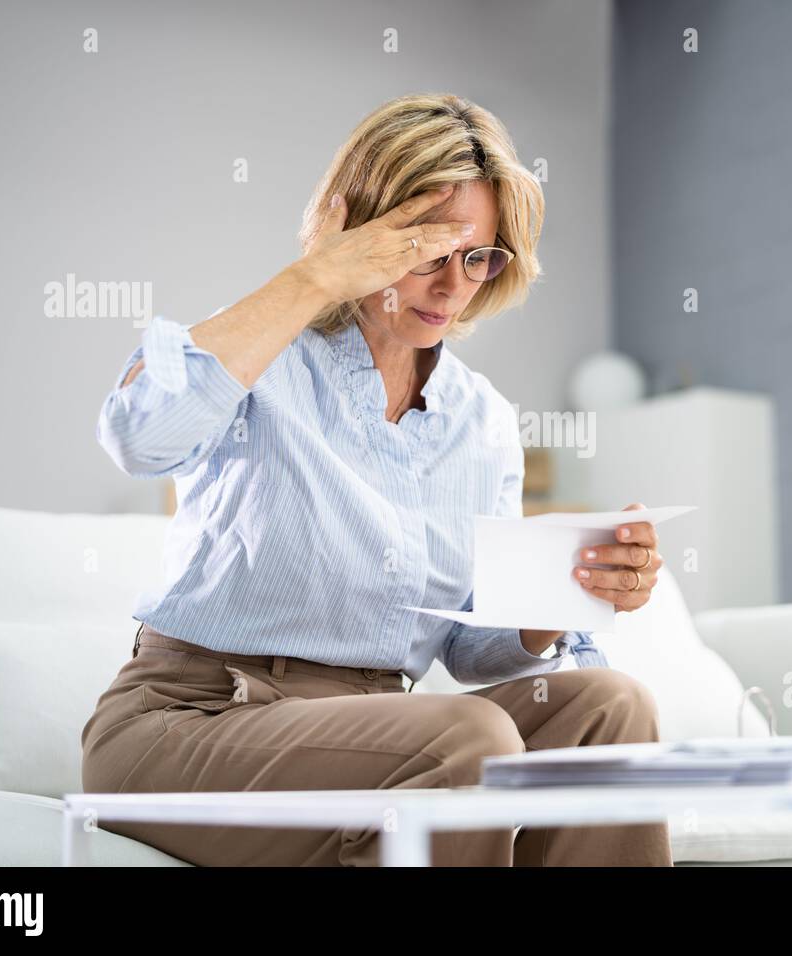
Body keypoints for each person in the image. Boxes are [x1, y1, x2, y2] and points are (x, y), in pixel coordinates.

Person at [81, 93, 671, 866]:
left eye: (477, 257)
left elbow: (470, 644)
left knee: (611, 707)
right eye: (427, 251)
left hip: (372, 729)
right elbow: (137, 435)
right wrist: (311, 279)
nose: (453, 285)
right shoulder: (263, 347)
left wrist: (564, 596)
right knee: (470, 738)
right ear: (358, 227)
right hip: (192, 719)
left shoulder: (481, 420)